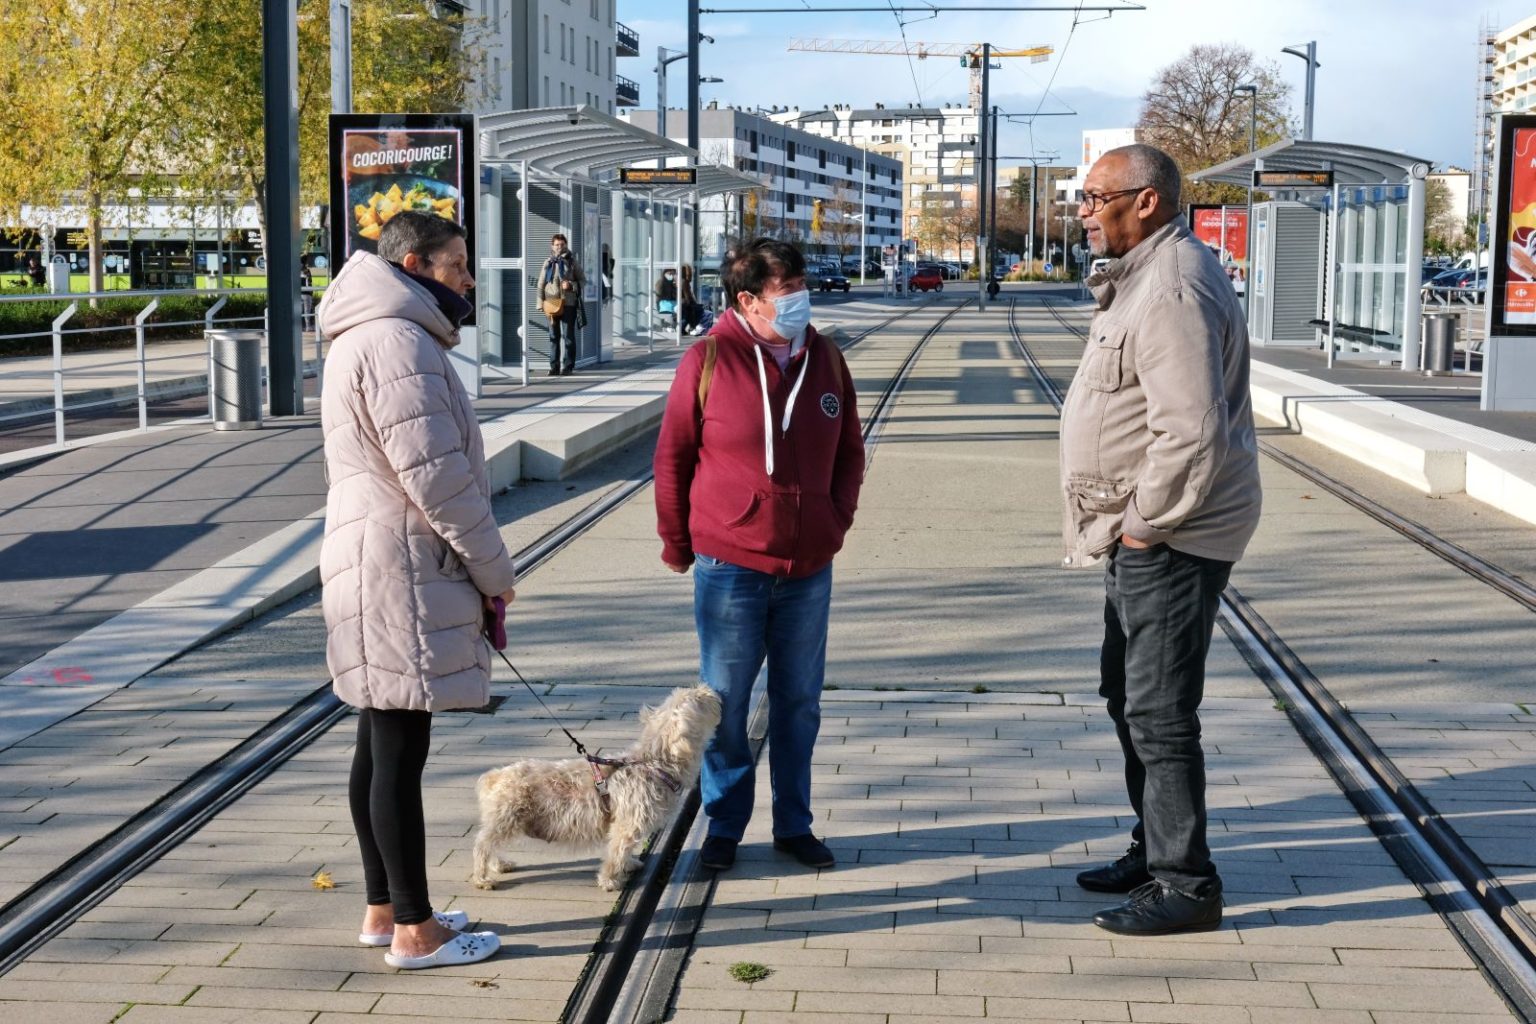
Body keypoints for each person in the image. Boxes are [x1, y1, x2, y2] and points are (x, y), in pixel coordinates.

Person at [1060, 143, 1262, 936]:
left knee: (1160, 711)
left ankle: (1186, 883)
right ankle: (1154, 850)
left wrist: (1145, 526)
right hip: (1140, 532)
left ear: (1145, 201)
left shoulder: (1172, 287)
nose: (1082, 209)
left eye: (1092, 195)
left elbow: (1191, 431)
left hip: (1171, 535)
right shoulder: (1141, 278)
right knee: (1129, 694)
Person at [317, 210, 515, 970]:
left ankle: (383, 908)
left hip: (378, 556)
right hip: (402, 562)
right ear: (415, 263)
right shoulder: (399, 341)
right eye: (458, 264)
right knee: (400, 747)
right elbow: (439, 480)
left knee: (380, 740)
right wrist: (495, 573)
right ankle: (415, 930)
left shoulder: (367, 331)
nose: (468, 278)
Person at [653, 237, 864, 874]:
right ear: (747, 299)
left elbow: (850, 449)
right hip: (731, 566)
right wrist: (676, 541)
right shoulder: (710, 358)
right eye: (787, 290)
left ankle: (794, 824)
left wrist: (835, 520)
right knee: (726, 702)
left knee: (799, 701)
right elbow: (673, 458)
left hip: (809, 567)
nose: (801, 299)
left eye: (802, 286)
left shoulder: (825, 357)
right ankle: (724, 825)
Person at [538, 234, 584, 376]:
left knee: (568, 336)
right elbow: (541, 283)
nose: (559, 247)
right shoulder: (548, 262)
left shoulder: (572, 262)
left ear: (566, 245)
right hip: (551, 304)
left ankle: (568, 366)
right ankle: (554, 367)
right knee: (553, 337)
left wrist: (571, 285)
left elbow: (583, 281)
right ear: (552, 246)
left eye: (562, 244)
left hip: (568, 304)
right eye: (557, 245)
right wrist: (540, 303)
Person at [680, 264, 704, 335]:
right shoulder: (684, 282)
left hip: (683, 302)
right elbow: (687, 295)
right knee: (696, 311)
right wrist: (692, 302)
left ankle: (689, 328)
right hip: (685, 303)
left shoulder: (680, 280)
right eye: (691, 271)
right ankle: (692, 327)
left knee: (692, 311)